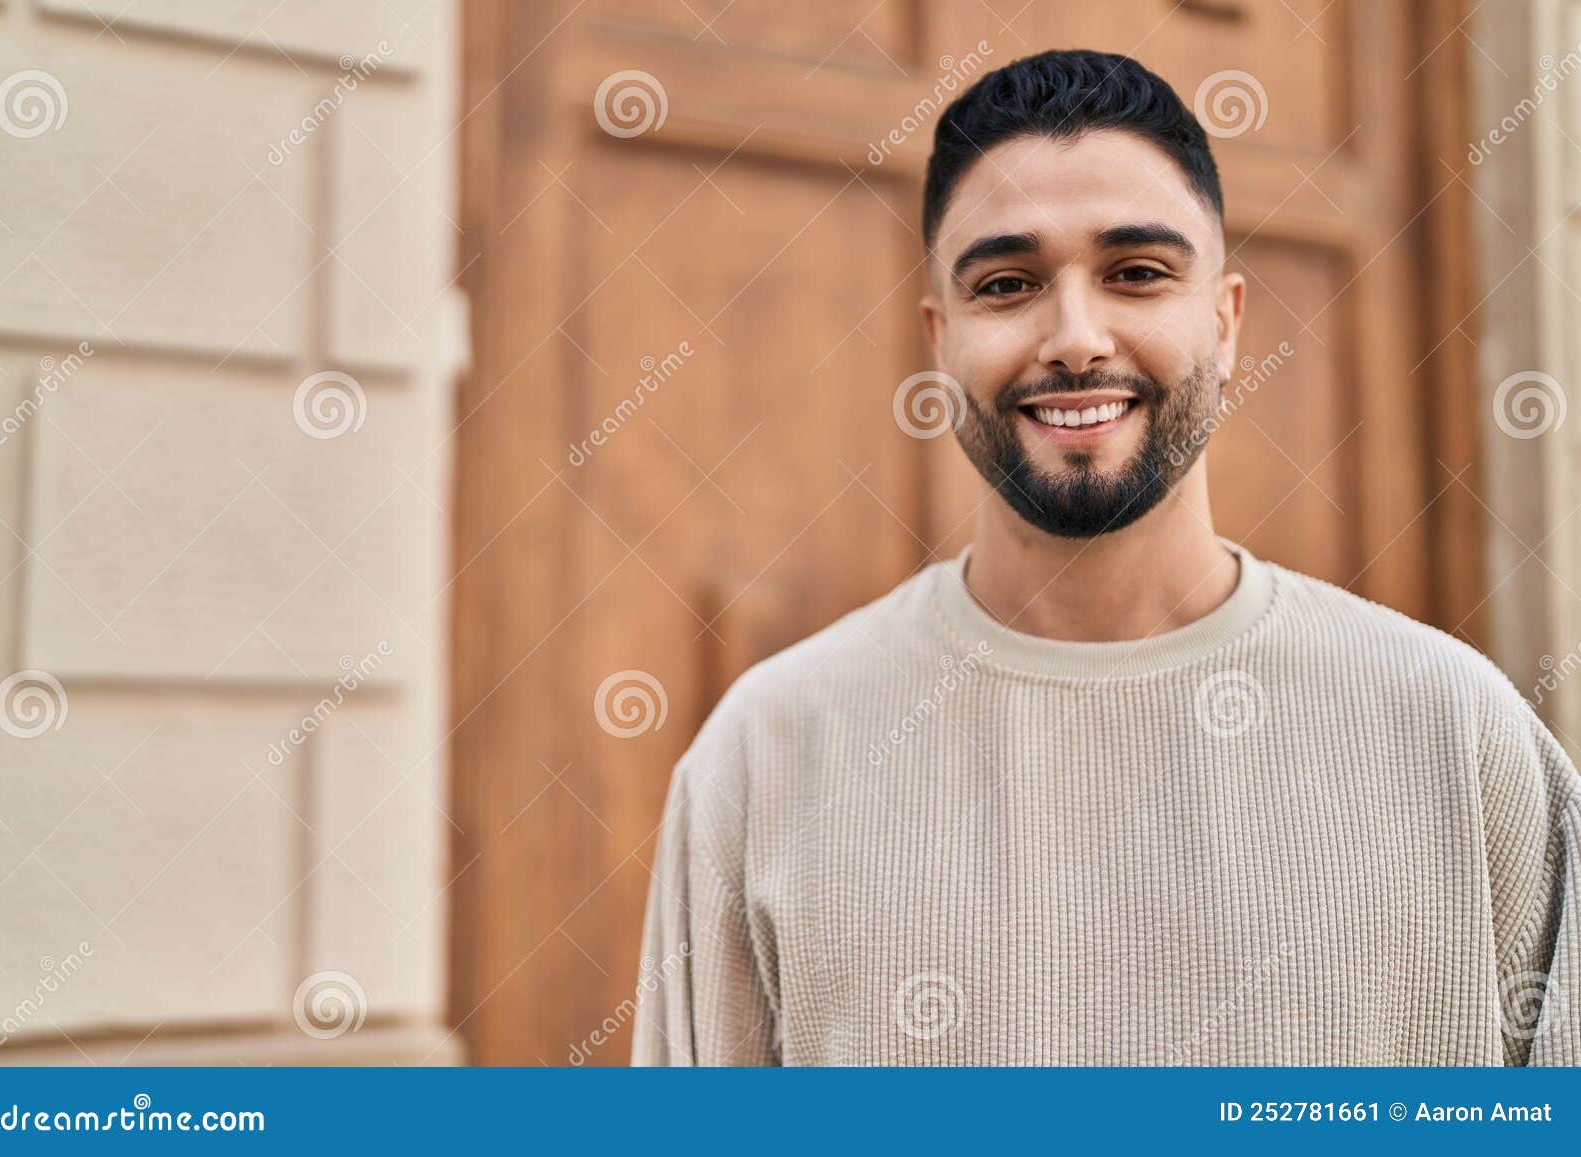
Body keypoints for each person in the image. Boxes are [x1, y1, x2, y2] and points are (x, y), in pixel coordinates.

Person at [631, 48, 1579, 1066]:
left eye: (1136, 273)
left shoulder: (1455, 732)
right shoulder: (768, 755)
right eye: (1007, 283)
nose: (1075, 337)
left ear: (1224, 324)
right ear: (938, 339)